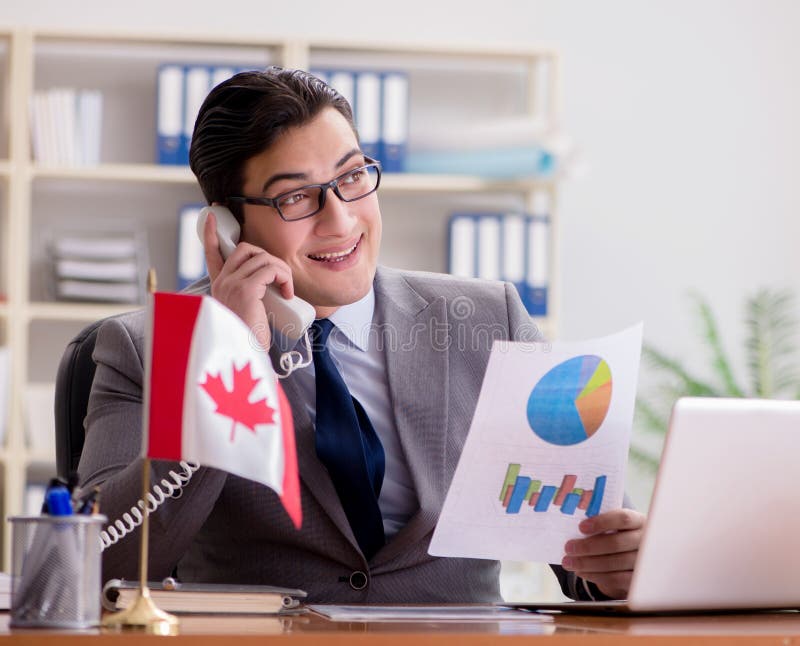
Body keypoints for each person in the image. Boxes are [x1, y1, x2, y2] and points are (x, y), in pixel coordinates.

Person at [78, 67, 644, 602]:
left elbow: (586, 552)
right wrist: (231, 365)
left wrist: (624, 564)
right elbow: (96, 567)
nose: (341, 220)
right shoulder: (151, 347)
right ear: (227, 225)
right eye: (295, 196)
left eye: (351, 177)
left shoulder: (487, 319)